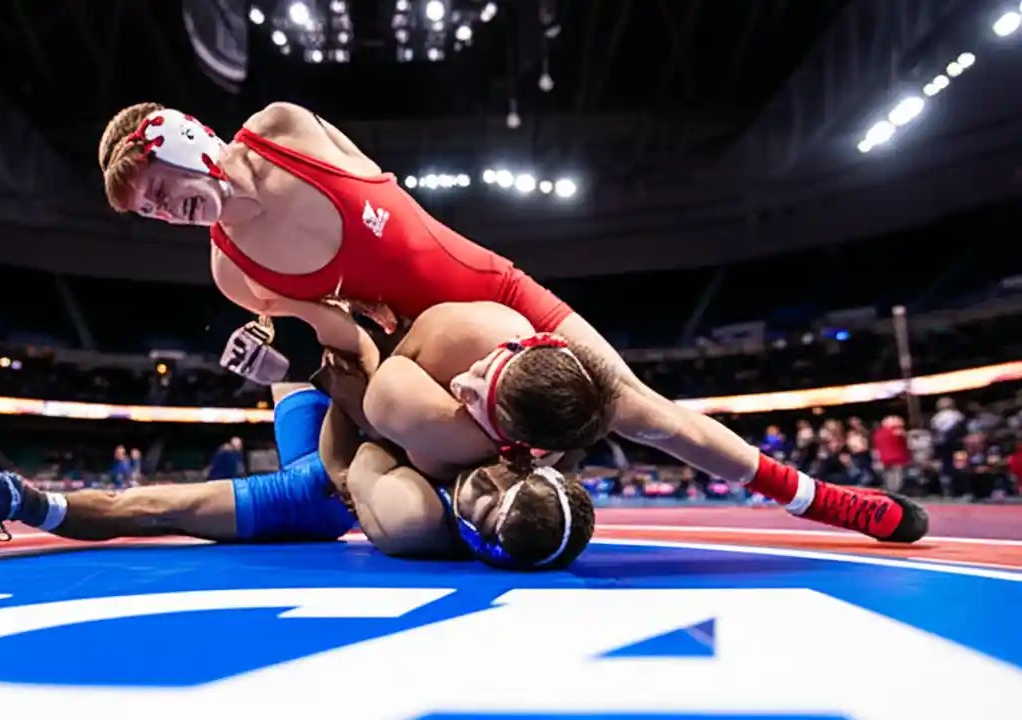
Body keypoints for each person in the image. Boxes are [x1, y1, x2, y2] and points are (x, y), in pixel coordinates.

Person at [94, 101, 928, 544]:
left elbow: (383, 191)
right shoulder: (232, 270)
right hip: (421, 351)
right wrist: (322, 364)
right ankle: (494, 512)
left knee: (634, 407)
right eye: (151, 214)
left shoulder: (285, 131)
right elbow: (348, 335)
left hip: (492, 289)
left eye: (160, 190)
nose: (168, 213)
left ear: (185, 143)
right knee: (439, 456)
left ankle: (823, 499)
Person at [0, 381, 590, 570]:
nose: (489, 479)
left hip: (329, 485)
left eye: (480, 500)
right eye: (505, 476)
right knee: (298, 346)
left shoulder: (414, 517)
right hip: (369, 444)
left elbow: (353, 461)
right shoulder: (531, 445)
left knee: (157, 507)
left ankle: (9, 494)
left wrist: (356, 384)